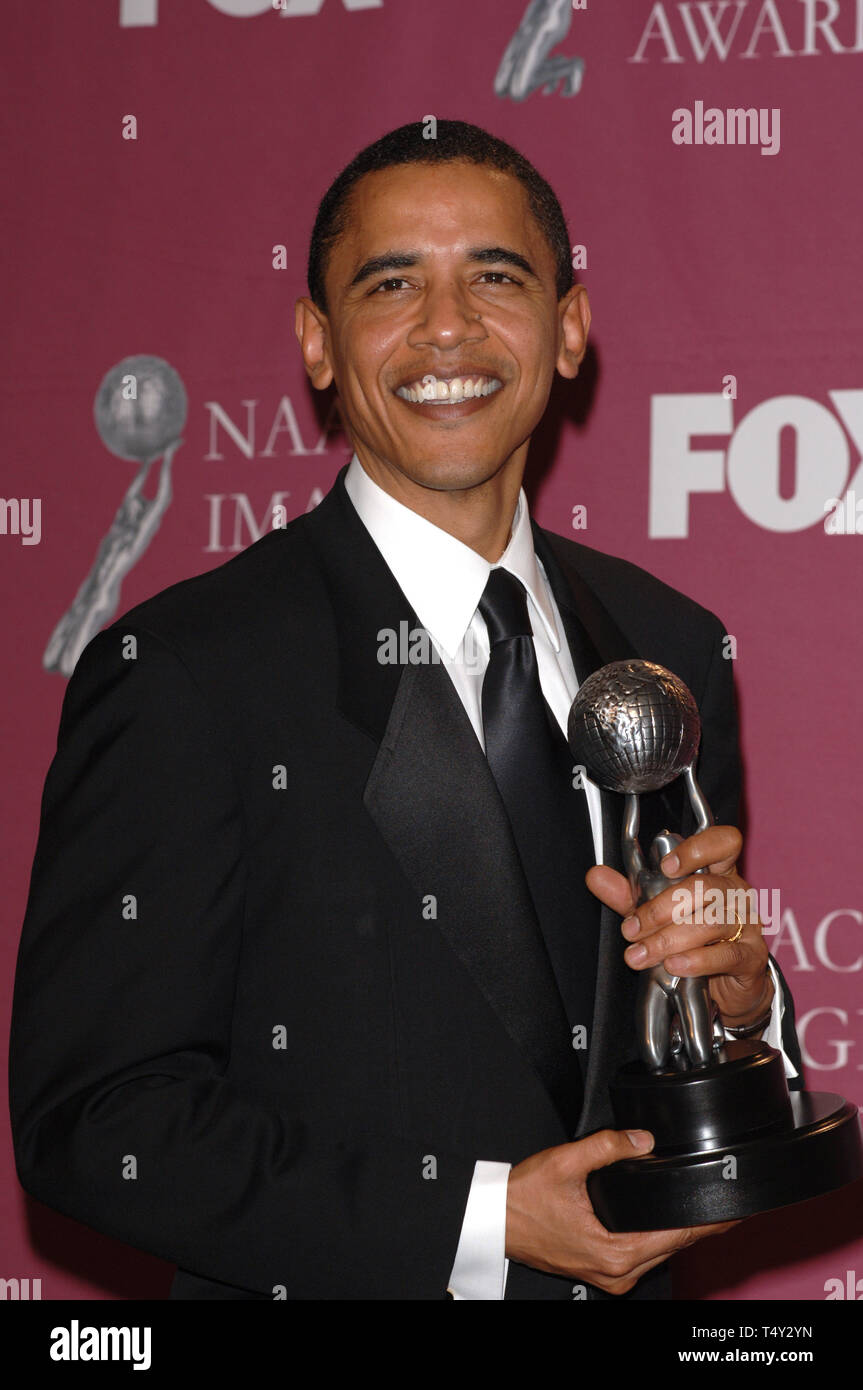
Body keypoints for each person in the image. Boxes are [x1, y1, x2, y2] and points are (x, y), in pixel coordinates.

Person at [9, 120, 803, 1301]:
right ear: (317, 346)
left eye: (495, 276)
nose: (448, 328)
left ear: (568, 327)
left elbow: (664, 1063)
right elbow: (99, 1121)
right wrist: (486, 1223)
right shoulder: (185, 669)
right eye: (393, 285)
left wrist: (737, 1010)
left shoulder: (664, 644)